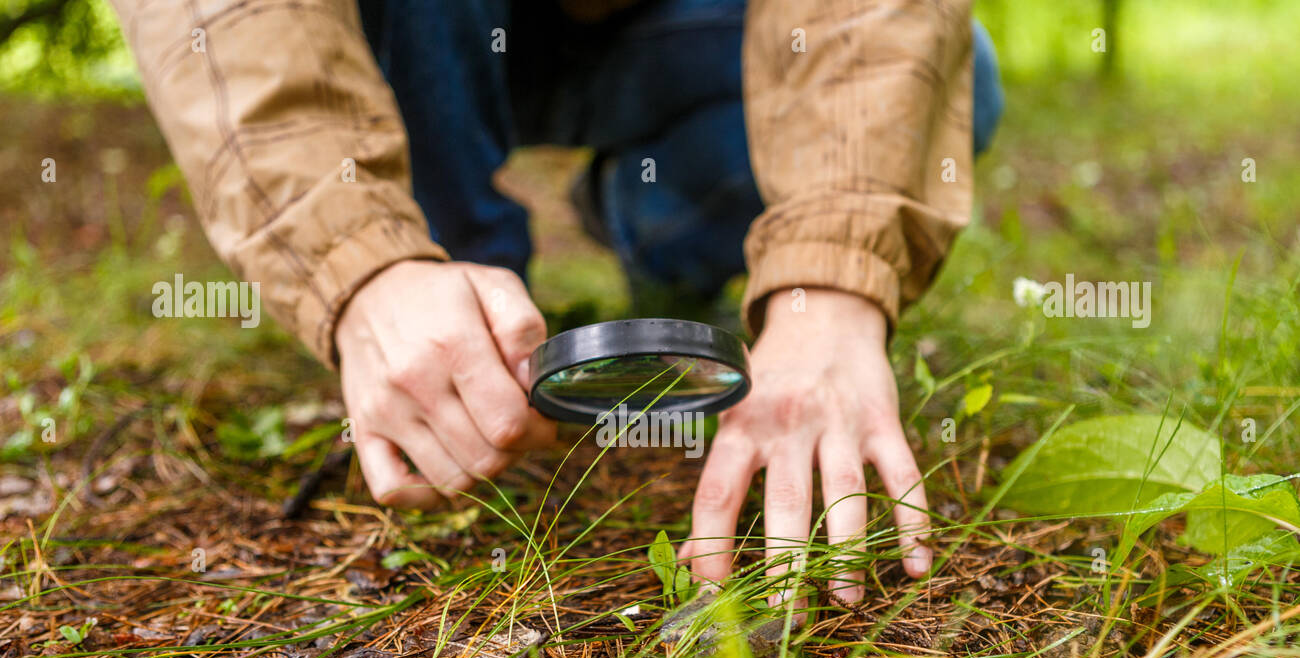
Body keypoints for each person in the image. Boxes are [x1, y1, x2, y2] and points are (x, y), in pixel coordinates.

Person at [109, 0, 1002, 602]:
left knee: (975, 78)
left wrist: (832, 283)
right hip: (410, 33)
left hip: (663, 28)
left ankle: (656, 231)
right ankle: (458, 307)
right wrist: (361, 262)